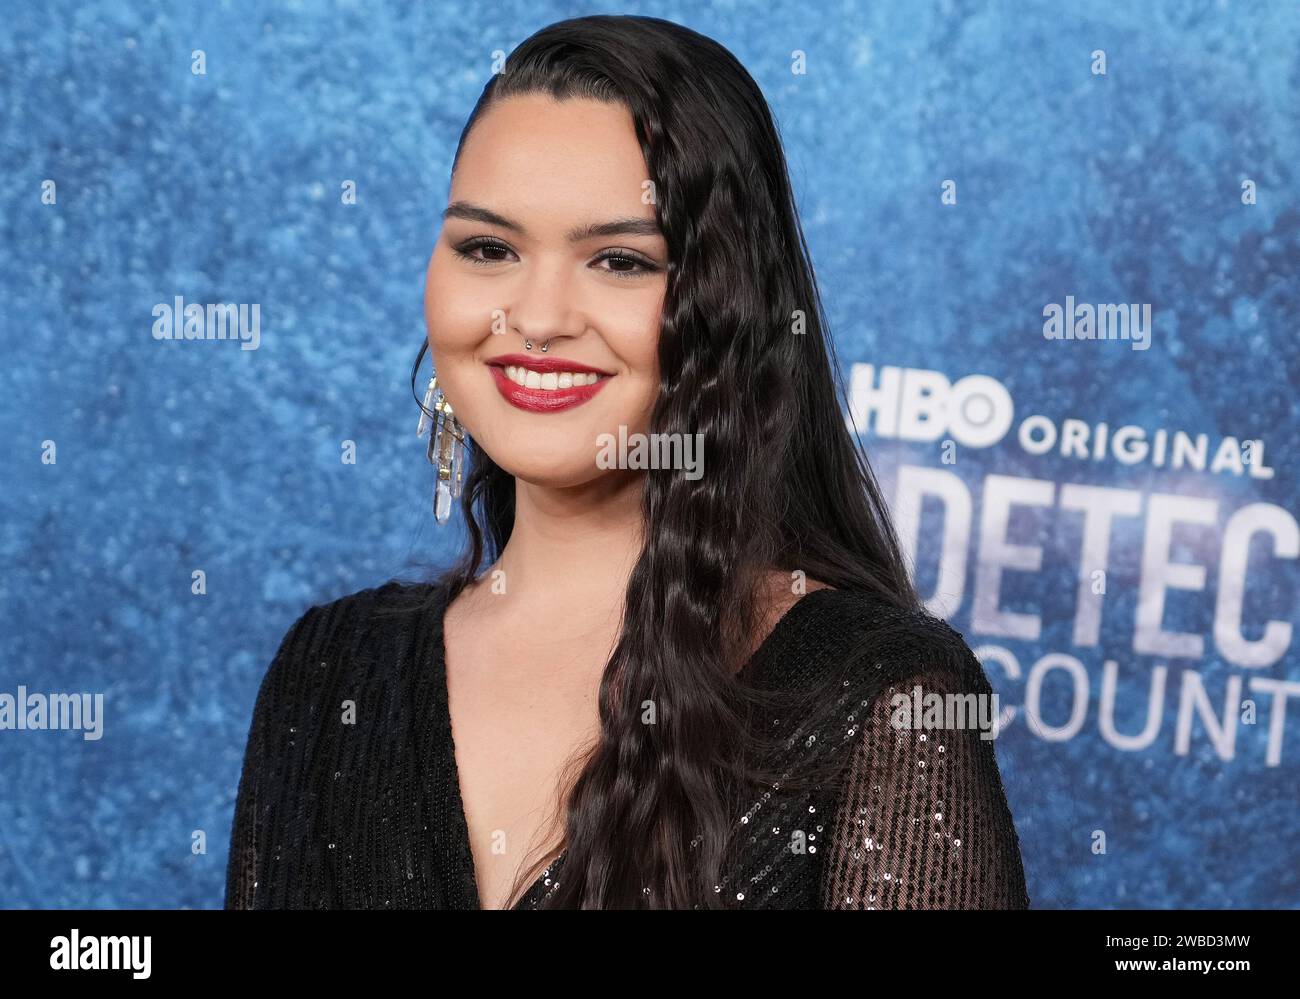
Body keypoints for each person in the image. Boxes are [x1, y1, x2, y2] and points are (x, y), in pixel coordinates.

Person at [224, 14, 1030, 910]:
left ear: (728, 308)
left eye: (618, 260)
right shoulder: (331, 672)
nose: (536, 317)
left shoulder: (881, 696)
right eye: (488, 248)